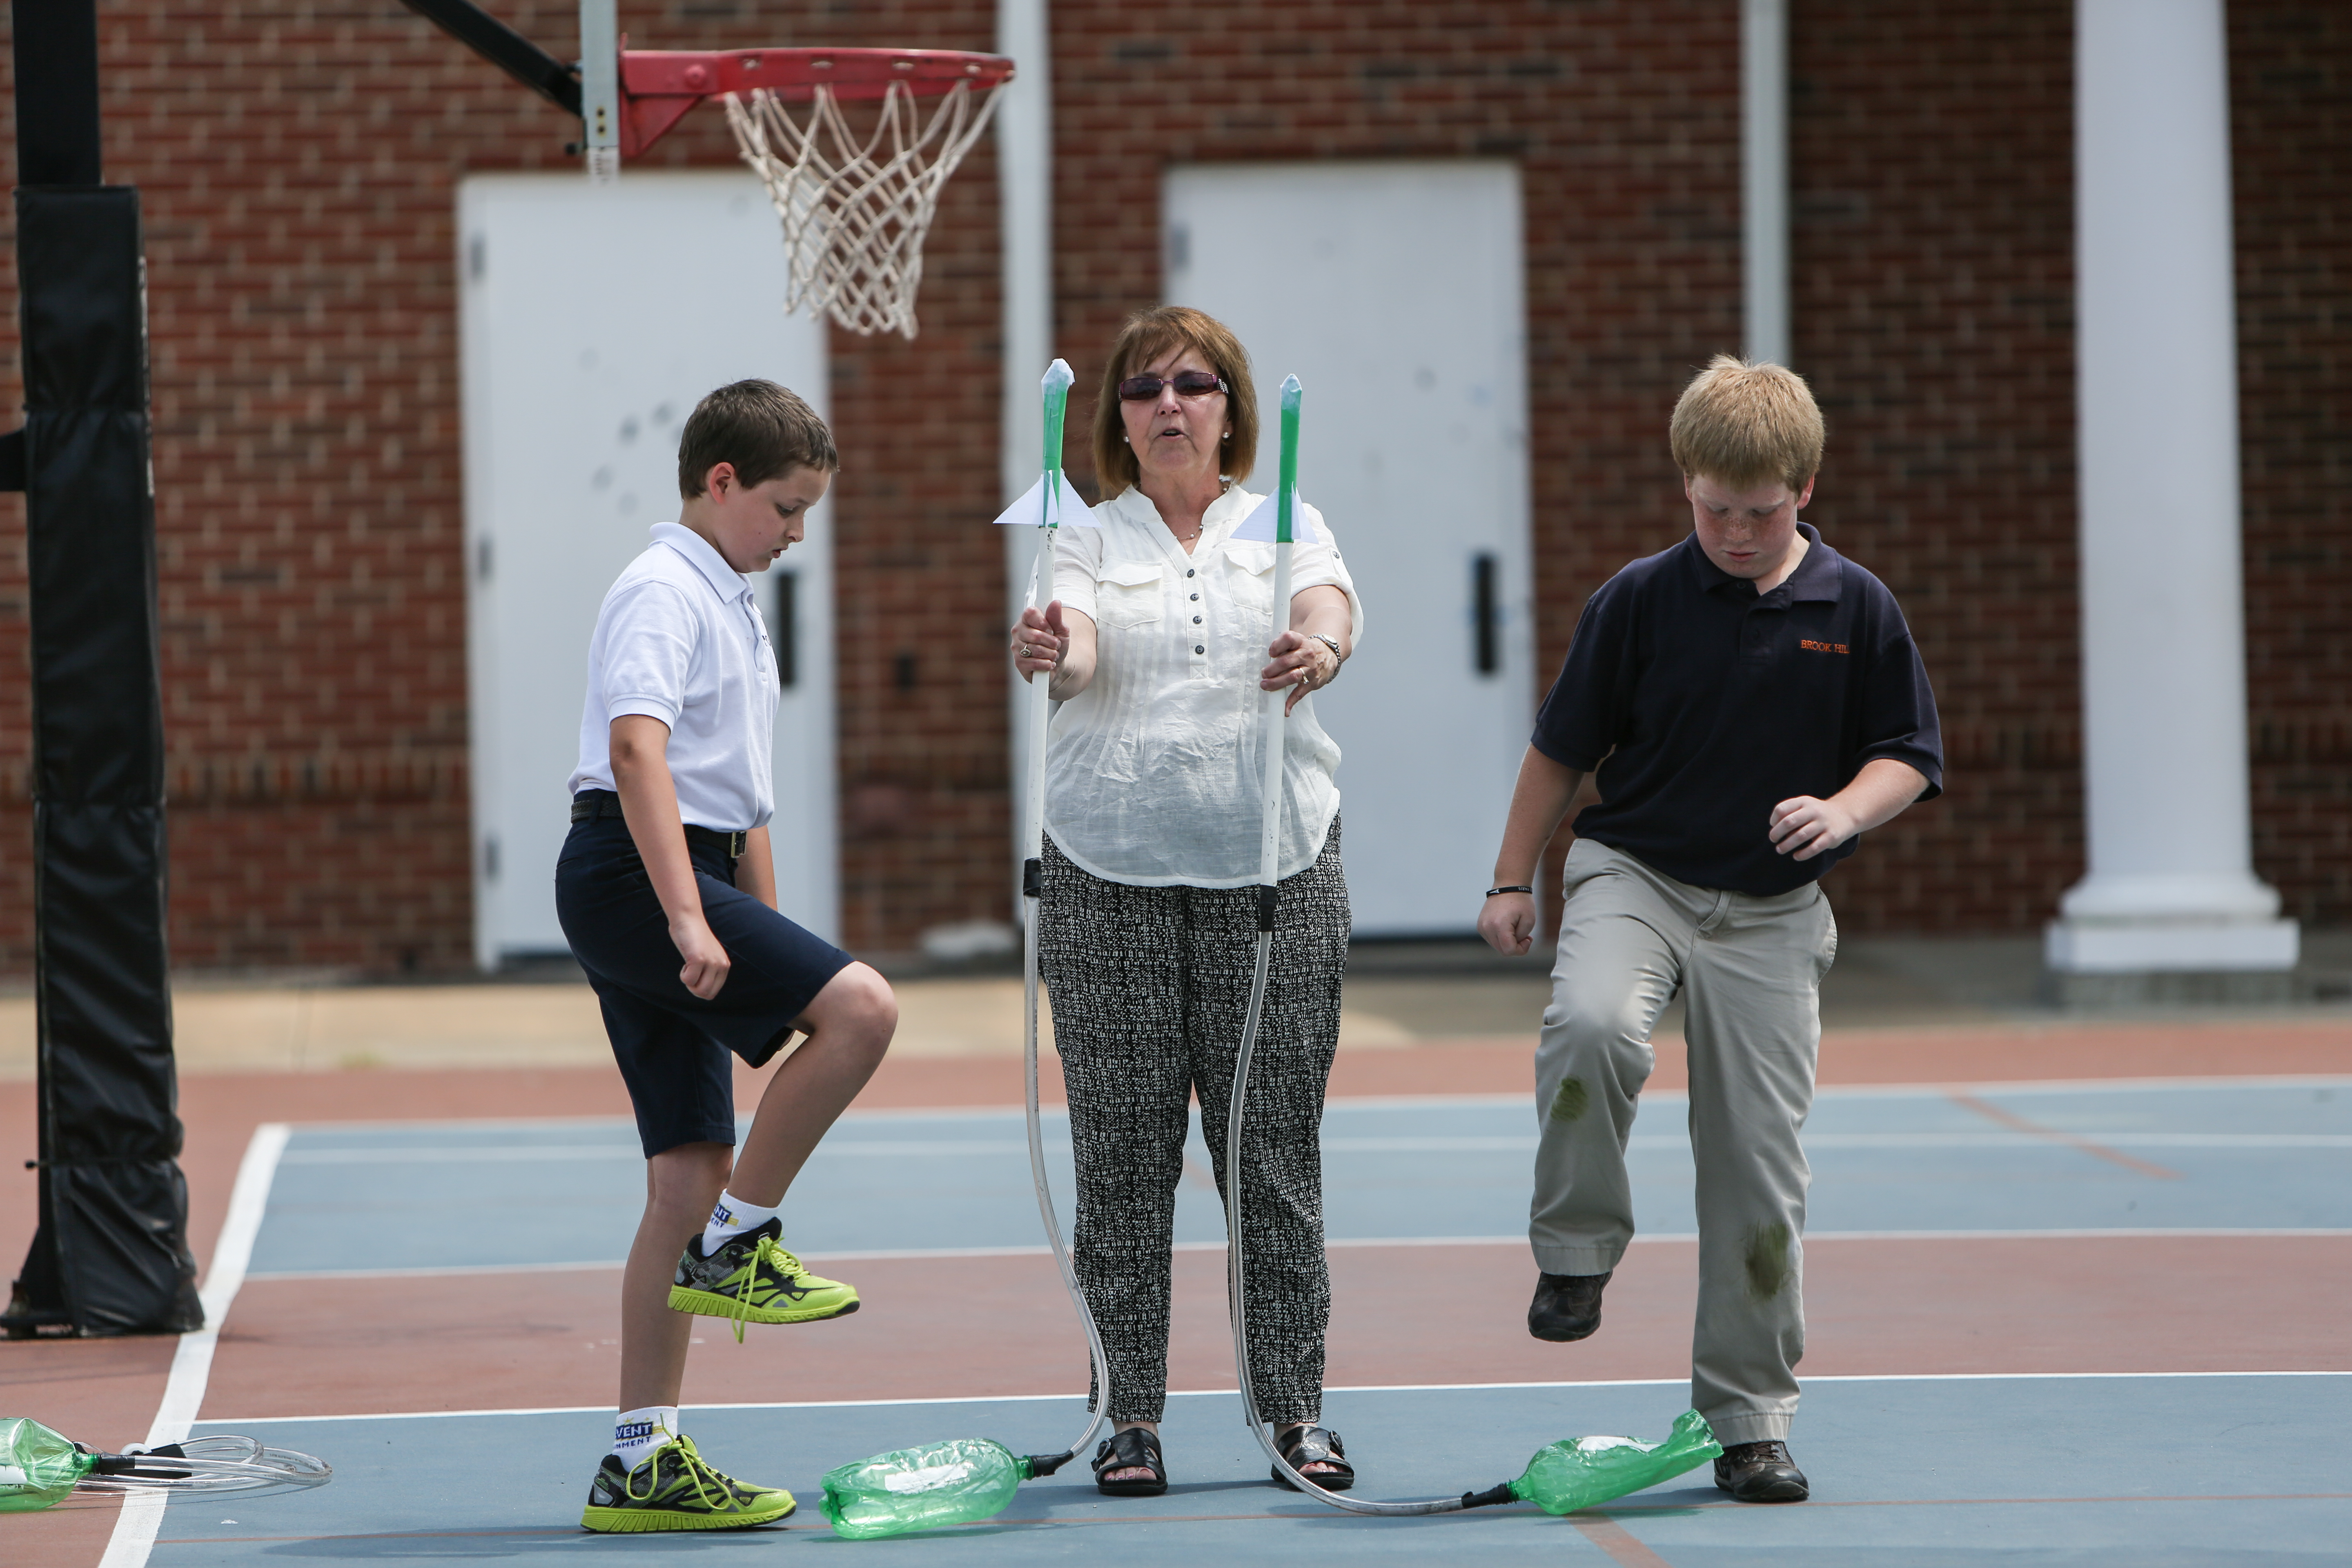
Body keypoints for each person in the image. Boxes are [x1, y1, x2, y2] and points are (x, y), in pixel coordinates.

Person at [1477, 356, 1941, 1504]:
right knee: (1590, 1027)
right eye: (1714, 509)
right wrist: (1509, 880)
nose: (1736, 532)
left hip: (1772, 914)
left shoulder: (1855, 605)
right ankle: (1575, 1256)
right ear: (1686, 485)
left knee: (1756, 1169)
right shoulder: (1639, 599)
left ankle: (1747, 1418)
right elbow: (1560, 751)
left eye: (1762, 512)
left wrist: (1842, 809)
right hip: (1636, 871)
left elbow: (1909, 756)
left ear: (1806, 485)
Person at [1008, 307, 1363, 1496]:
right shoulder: (1081, 532)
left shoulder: (1288, 520)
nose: (1170, 404)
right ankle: (1128, 1417)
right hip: (1107, 872)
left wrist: (1316, 650)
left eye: (1195, 384)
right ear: (1114, 416)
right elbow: (1084, 639)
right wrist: (1061, 647)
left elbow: (1331, 612)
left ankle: (1294, 1413)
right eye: (1145, 387)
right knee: (1120, 1158)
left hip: (1277, 870)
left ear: (1231, 409)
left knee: (1270, 1156)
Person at [556, 379, 898, 1532]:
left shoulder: (733, 592)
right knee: (864, 1011)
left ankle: (639, 1461)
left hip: (676, 871)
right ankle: (739, 1249)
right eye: (785, 508)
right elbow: (636, 754)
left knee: (684, 1179)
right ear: (720, 484)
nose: (797, 534)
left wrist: (761, 920)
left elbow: (739, 799)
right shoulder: (663, 588)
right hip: (634, 873)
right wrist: (692, 920)